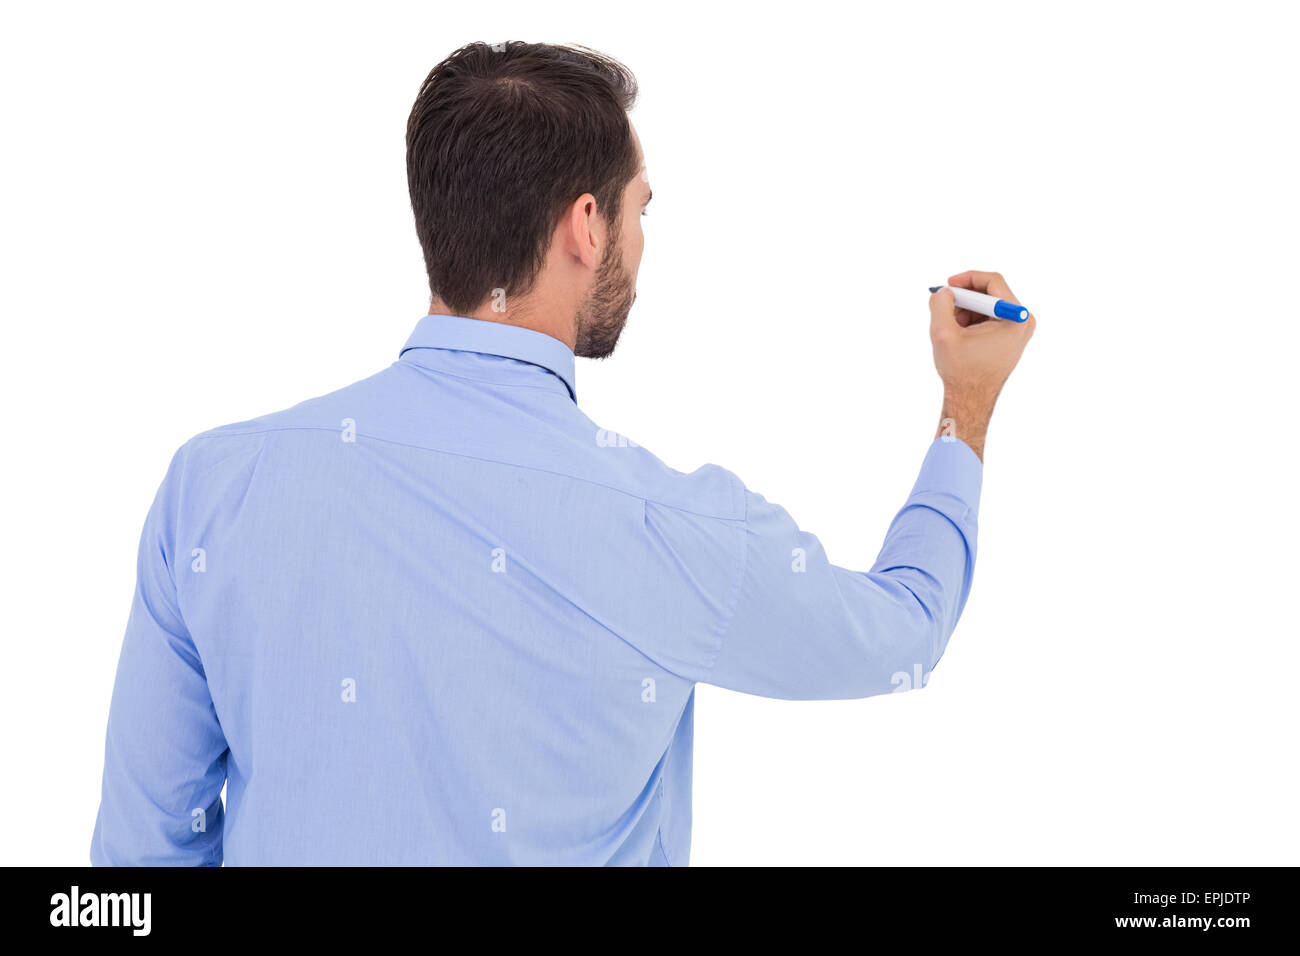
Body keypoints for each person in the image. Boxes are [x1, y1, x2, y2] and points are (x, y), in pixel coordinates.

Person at [91, 41, 1033, 866]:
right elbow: (904, 631)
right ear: (586, 226)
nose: (638, 238)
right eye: (640, 209)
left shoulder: (214, 486)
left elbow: (139, 855)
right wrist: (967, 402)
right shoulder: (675, 527)